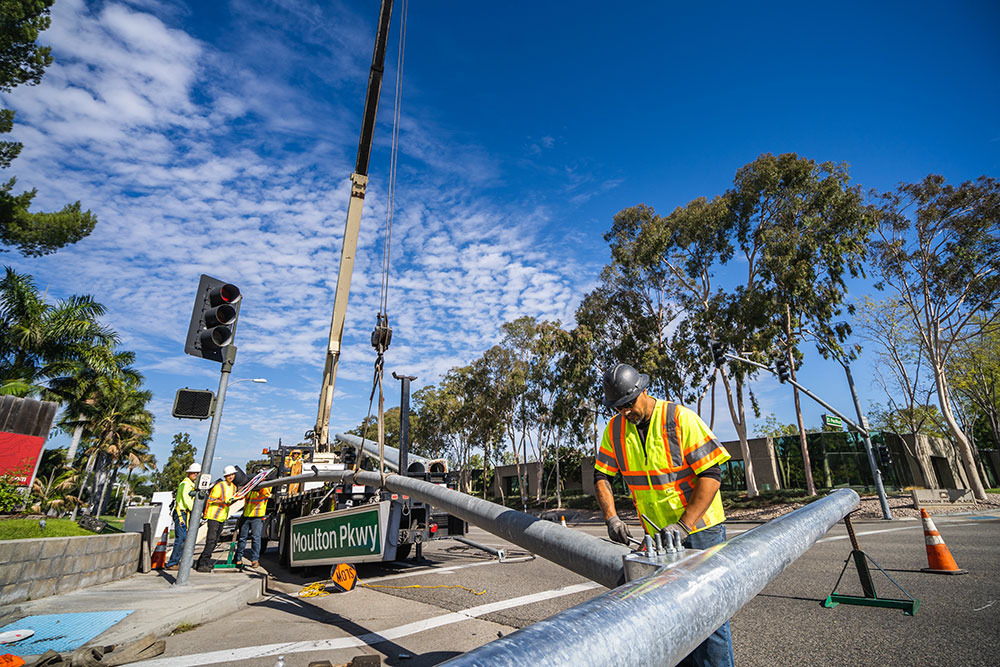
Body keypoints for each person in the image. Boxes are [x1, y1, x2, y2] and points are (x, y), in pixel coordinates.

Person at [593, 363, 734, 667]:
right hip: (657, 536)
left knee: (710, 614)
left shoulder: (680, 418)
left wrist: (685, 525)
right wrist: (611, 517)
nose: (625, 412)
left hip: (700, 531)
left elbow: (711, 473)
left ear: (642, 391)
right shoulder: (615, 430)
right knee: (671, 611)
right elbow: (601, 475)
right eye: (618, 407)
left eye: (628, 404)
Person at [195, 466, 238, 573]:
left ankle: (201, 562)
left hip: (222, 517)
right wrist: (223, 501)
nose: (231, 476)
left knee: (214, 542)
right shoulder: (220, 486)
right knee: (211, 541)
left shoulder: (233, 487)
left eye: (232, 474)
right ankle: (203, 564)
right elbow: (212, 499)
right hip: (214, 516)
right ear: (225, 476)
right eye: (229, 475)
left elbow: (230, 501)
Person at [164, 462, 200, 571]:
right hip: (182, 514)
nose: (195, 474)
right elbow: (186, 500)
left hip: (185, 514)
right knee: (181, 539)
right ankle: (172, 563)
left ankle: (176, 561)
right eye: (194, 473)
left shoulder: (191, 484)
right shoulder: (185, 484)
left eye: (197, 473)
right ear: (189, 473)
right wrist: (196, 510)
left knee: (184, 539)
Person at [235, 483, 271, 567]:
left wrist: (258, 488)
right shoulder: (250, 488)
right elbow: (242, 496)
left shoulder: (266, 487)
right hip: (246, 516)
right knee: (242, 538)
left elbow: (266, 493)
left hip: (257, 517)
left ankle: (255, 560)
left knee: (256, 538)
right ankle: (238, 559)